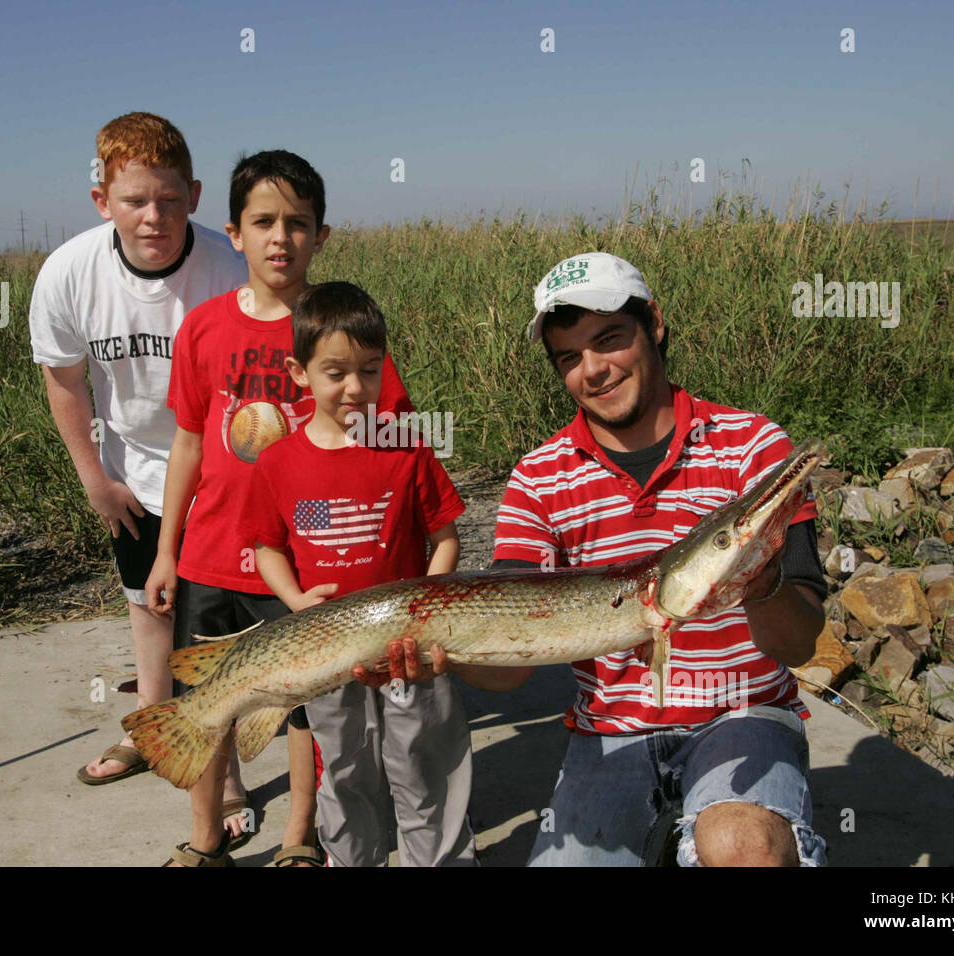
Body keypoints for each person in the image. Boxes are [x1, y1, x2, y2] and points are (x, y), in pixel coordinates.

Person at [364, 252, 829, 866]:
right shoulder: (538, 477)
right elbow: (510, 666)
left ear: (654, 324)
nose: (594, 370)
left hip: (744, 716)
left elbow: (799, 645)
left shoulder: (755, 447)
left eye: (609, 339)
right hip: (611, 735)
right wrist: (442, 658)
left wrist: (760, 583)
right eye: (569, 357)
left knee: (740, 846)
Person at [144, 153, 414, 866]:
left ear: (322, 235)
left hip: (299, 566)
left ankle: (300, 836)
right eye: (263, 222)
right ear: (233, 233)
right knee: (206, 706)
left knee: (302, 708)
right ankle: (205, 841)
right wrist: (167, 551)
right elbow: (188, 445)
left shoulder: (345, 335)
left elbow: (390, 451)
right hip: (210, 551)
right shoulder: (202, 329)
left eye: (298, 223)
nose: (280, 238)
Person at [27, 112, 246, 799]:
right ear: (103, 201)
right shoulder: (68, 272)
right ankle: (149, 730)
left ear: (196, 195)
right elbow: (63, 379)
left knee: (215, 620)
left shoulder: (228, 267)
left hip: (218, 472)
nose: (154, 217)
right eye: (135, 201)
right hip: (129, 469)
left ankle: (223, 765)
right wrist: (95, 480)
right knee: (147, 607)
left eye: (170, 200)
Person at [242, 282, 476, 867]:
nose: (355, 387)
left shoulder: (406, 449)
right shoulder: (276, 463)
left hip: (410, 650)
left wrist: (428, 602)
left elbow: (445, 538)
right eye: (336, 372)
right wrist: (295, 599)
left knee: (426, 767)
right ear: (299, 372)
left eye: (370, 371)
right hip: (325, 652)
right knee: (343, 770)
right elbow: (267, 548)